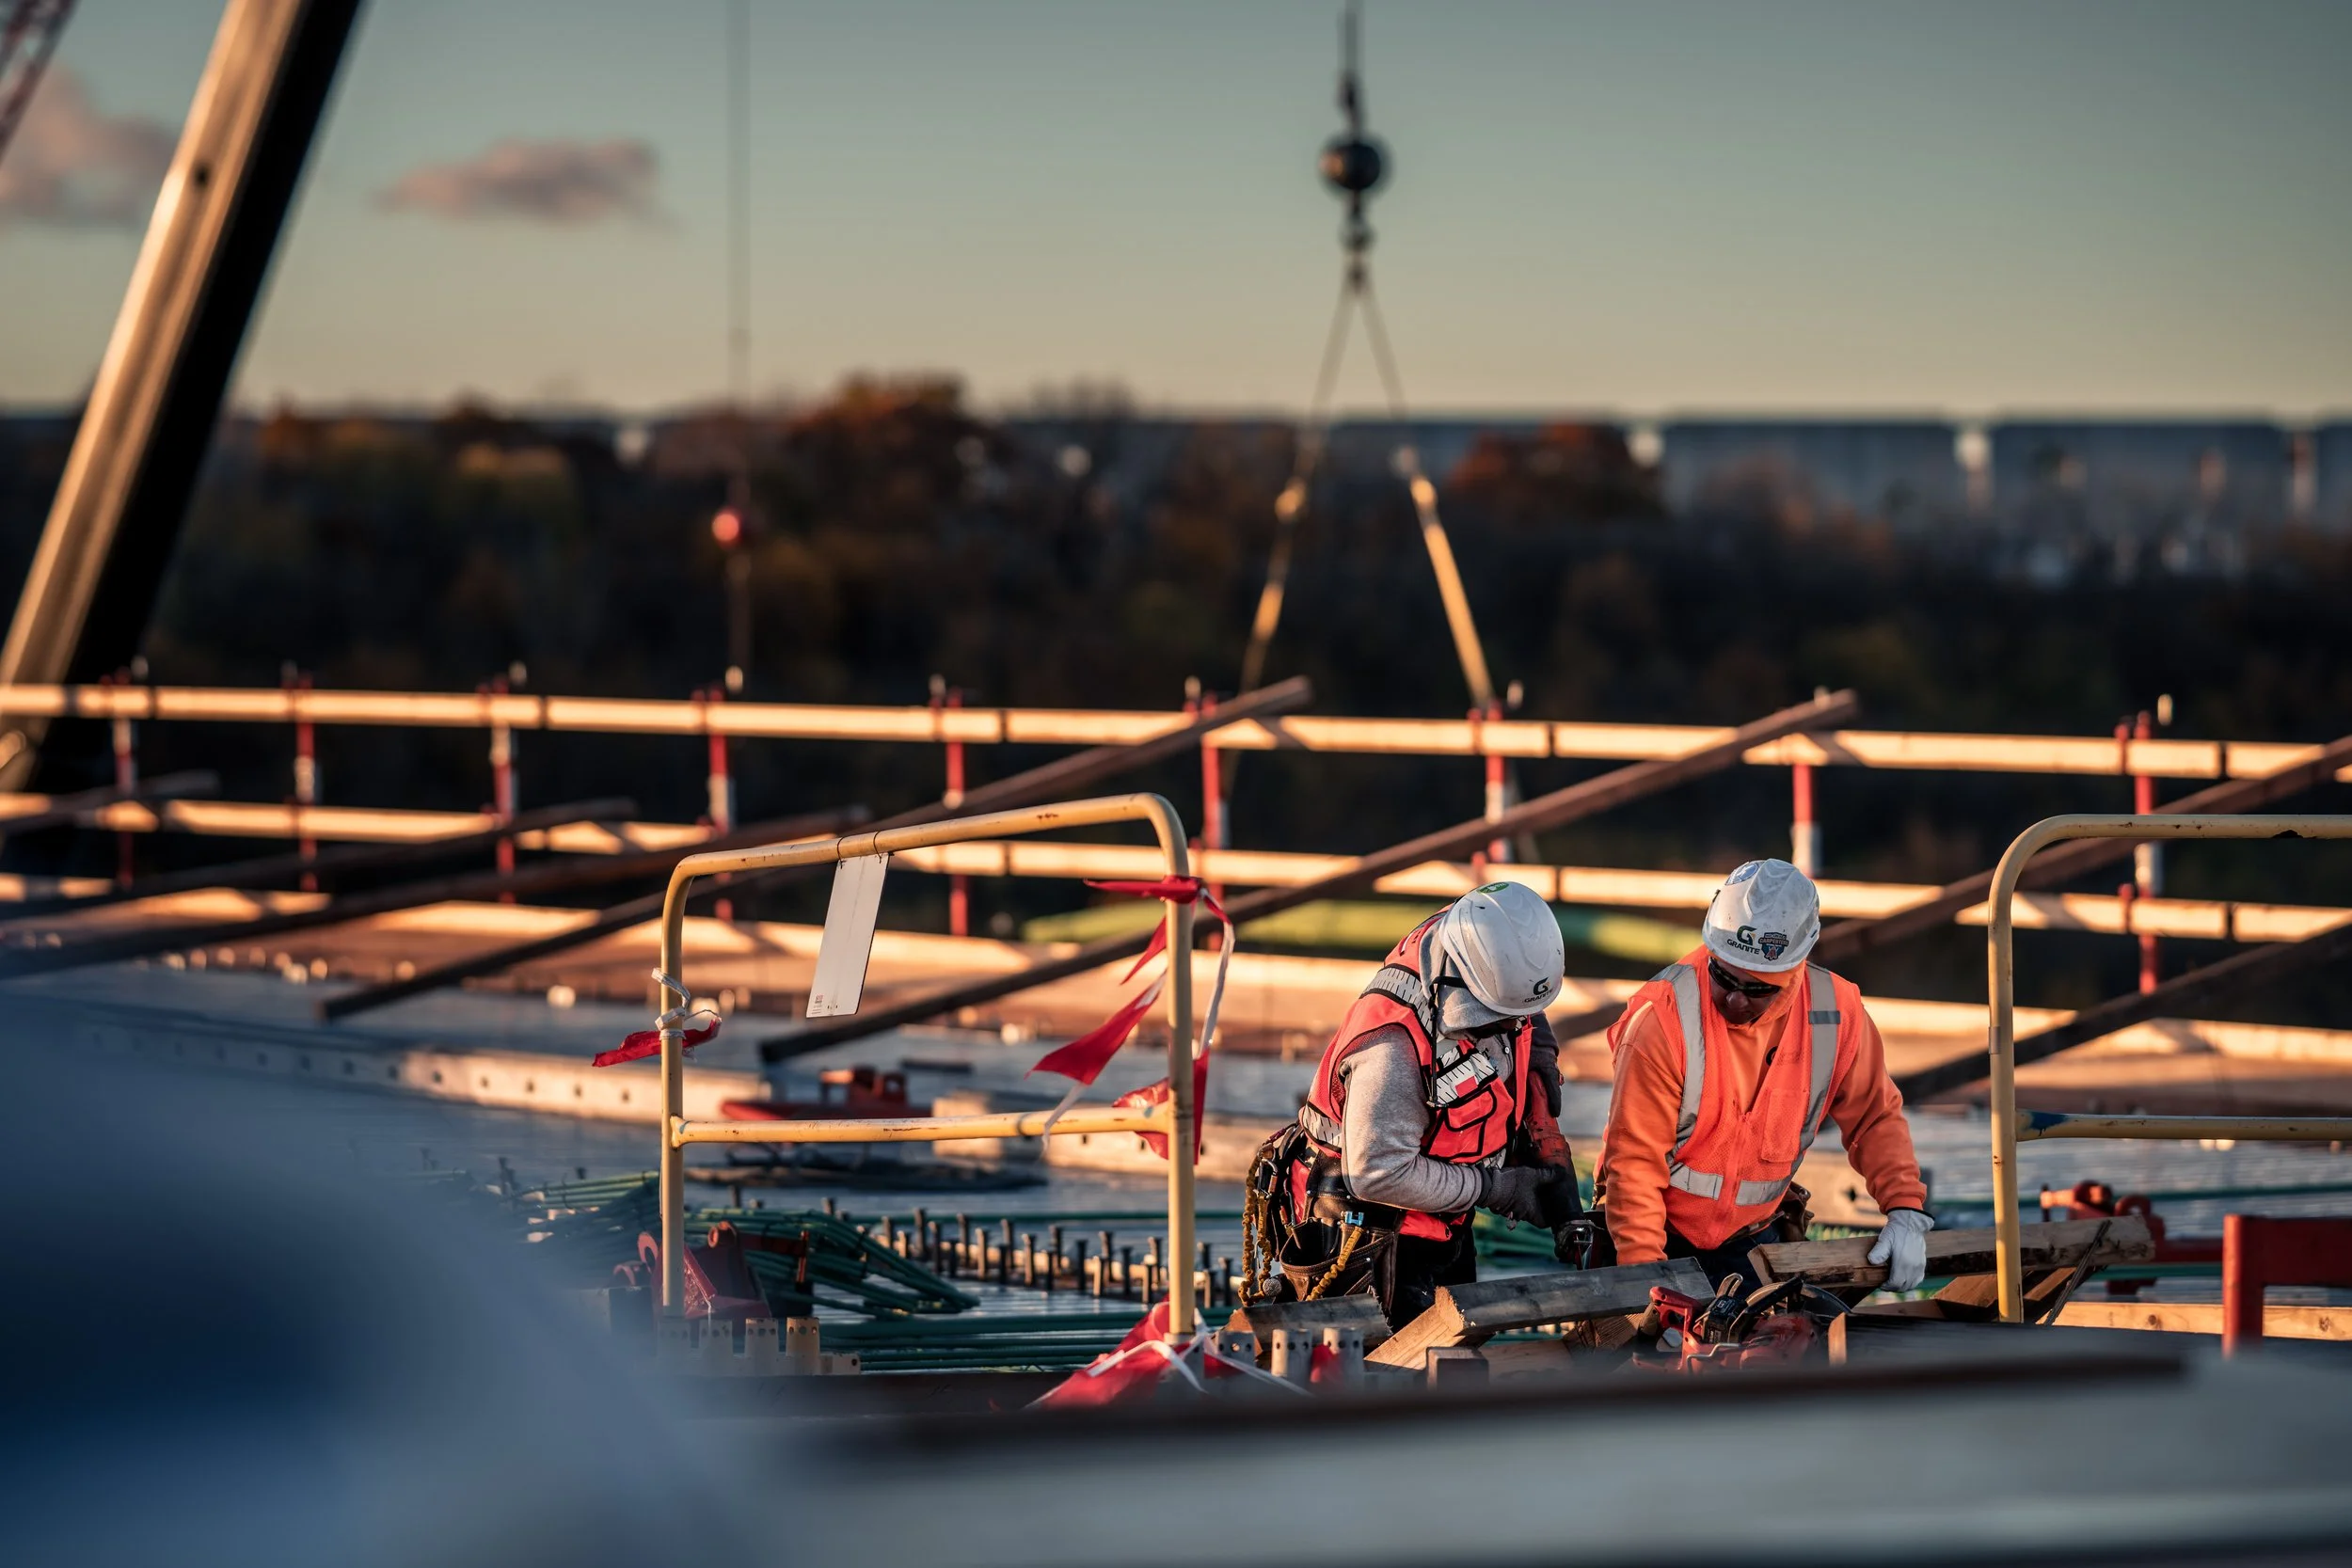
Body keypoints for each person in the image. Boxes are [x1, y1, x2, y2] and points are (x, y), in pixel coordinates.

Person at [1246, 881, 1583, 1327]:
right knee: (1389, 1384)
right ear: (1464, 987)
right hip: (1368, 1236)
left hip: (1444, 1219)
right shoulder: (1391, 1052)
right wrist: (1497, 1188)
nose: (1512, 1027)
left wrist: (1538, 1048)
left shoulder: (1477, 932)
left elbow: (1516, 989)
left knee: (1456, 1367)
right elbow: (1378, 1173)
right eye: (1502, 1018)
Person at [1594, 859, 1934, 1292]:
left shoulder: (1835, 1016)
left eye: (1757, 988)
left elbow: (1874, 1117)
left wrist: (1904, 1207)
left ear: (1797, 967)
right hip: (1655, 1239)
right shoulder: (1663, 1021)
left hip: (1754, 1243)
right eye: (1723, 976)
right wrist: (1646, 1286)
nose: (1735, 1000)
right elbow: (1634, 1167)